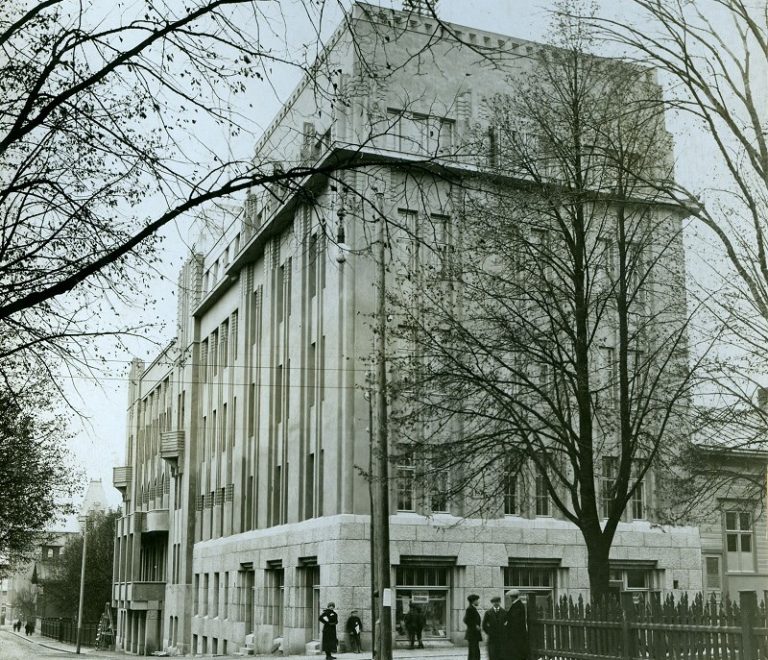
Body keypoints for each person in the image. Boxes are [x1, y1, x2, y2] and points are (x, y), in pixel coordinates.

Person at [505, 590, 528, 660]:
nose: (510, 599)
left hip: (517, 633)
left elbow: (514, 619)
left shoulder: (518, 605)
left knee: (517, 652)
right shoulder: (517, 605)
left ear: (512, 597)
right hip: (517, 633)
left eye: (510, 597)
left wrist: (507, 624)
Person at [481, 596, 506, 660]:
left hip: (501, 637)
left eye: (497, 602)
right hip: (492, 638)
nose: (496, 603)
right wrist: (489, 632)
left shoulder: (504, 612)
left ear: (500, 602)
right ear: (492, 603)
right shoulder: (488, 612)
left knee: (501, 655)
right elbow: (484, 625)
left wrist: (504, 631)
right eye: (494, 602)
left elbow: (507, 624)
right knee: (492, 654)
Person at [463, 594, 482, 660]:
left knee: (474, 651)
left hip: (474, 634)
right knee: (474, 651)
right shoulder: (470, 609)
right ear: (473, 601)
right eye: (477, 600)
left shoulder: (472, 608)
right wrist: (475, 625)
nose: (478, 602)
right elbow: (466, 620)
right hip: (472, 634)